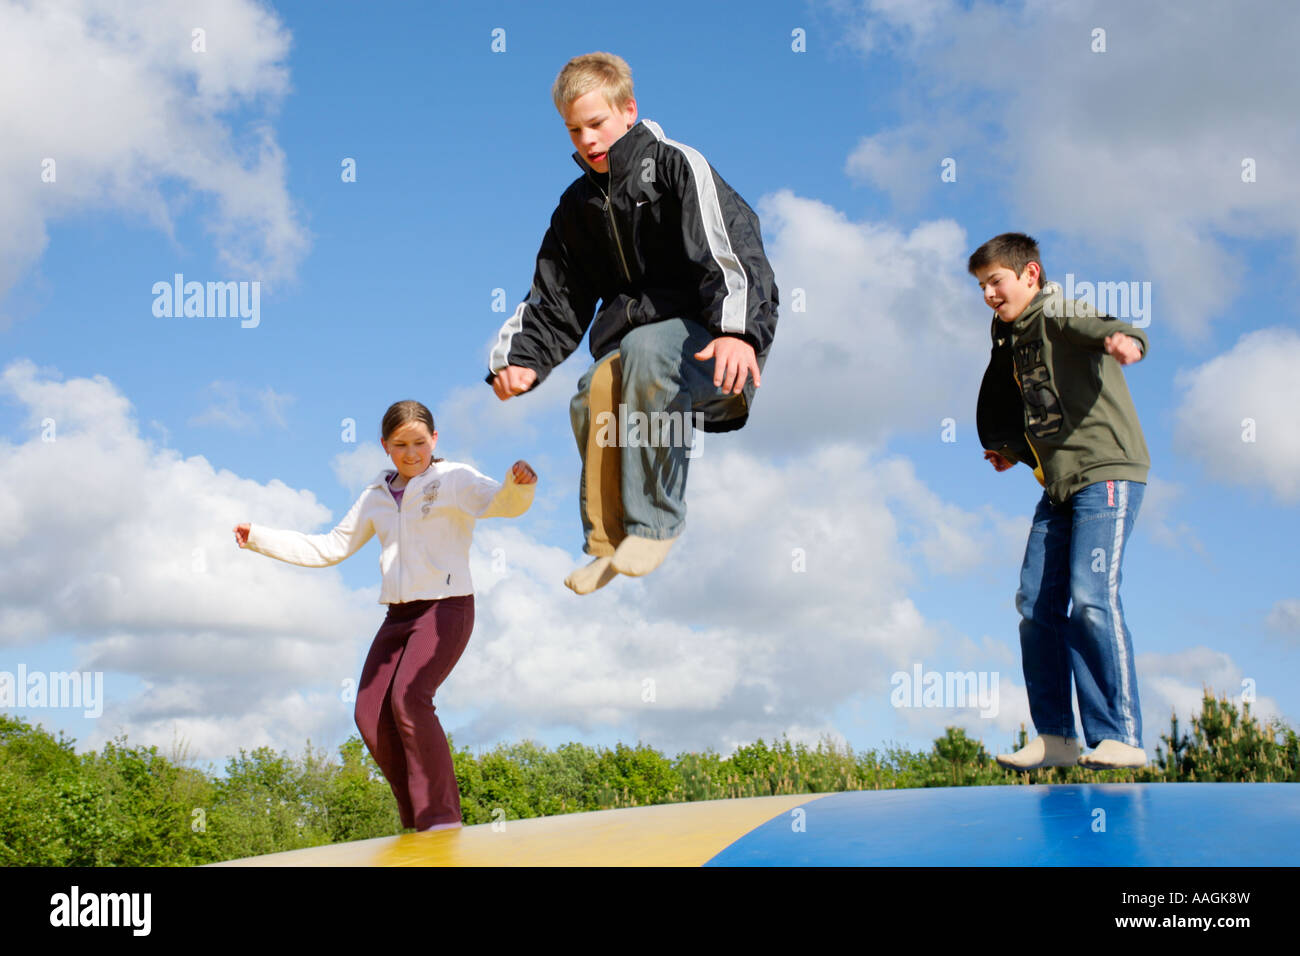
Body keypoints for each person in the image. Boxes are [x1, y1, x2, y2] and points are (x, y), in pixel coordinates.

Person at [486, 51, 778, 594]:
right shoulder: (577, 207)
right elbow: (556, 295)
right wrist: (522, 359)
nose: (587, 140)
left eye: (596, 124)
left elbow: (733, 249)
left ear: (628, 110)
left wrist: (738, 333)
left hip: (715, 348)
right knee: (595, 387)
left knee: (643, 348)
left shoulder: (674, 165)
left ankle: (656, 522)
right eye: (574, 130)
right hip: (648, 358)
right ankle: (608, 542)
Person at [232, 400, 536, 830]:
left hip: (445, 608)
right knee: (369, 712)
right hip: (397, 617)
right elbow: (329, 547)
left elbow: (499, 502)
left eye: (418, 443)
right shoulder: (375, 495)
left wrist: (518, 486)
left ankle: (441, 819)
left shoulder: (453, 479)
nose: (411, 454)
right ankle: (415, 819)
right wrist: (260, 537)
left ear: (434, 439)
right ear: (384, 447)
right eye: (400, 445)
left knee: (409, 698)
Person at [971, 233, 1150, 771]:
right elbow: (1038, 403)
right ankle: (1057, 736)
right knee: (1035, 604)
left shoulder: (1057, 309)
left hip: (1105, 472)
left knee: (1091, 596)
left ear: (1030, 274)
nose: (988, 295)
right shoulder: (1011, 334)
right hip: (1057, 482)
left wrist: (1126, 341)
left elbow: (1101, 327)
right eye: (980, 287)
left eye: (995, 282)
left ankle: (1119, 735)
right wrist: (1014, 451)